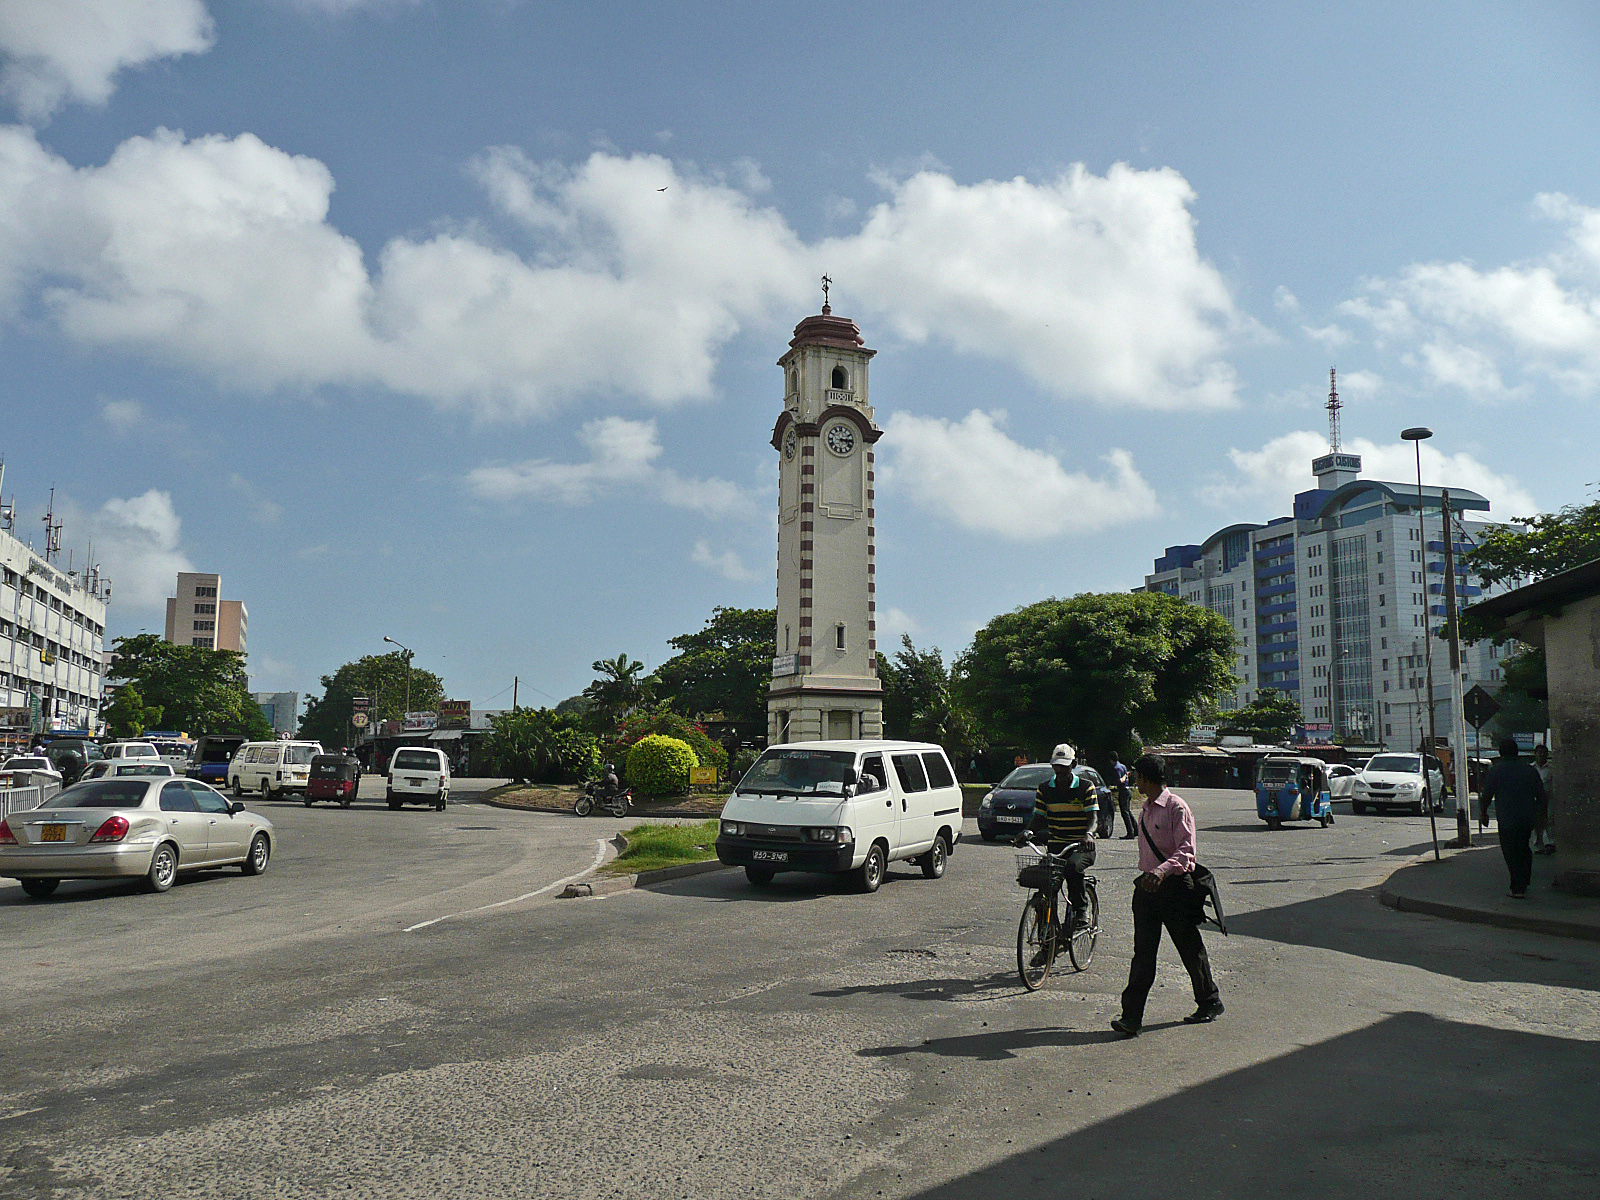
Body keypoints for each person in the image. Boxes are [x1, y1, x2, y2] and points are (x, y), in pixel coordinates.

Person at [1112, 753, 1222, 1037]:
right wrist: (1151, 876)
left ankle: (1210, 1002)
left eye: (1138, 776)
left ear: (1147, 779)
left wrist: (1161, 872)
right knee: (1143, 955)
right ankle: (1131, 1018)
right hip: (1147, 890)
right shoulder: (1145, 810)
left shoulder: (1177, 808)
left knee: (1189, 948)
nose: (1136, 781)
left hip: (1173, 888)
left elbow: (1187, 852)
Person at [1023, 744, 1097, 930]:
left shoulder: (1085, 788)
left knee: (1072, 869)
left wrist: (1088, 834)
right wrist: (1026, 832)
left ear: (1073, 764)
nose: (1060, 770)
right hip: (1056, 846)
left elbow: (1093, 818)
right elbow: (1038, 818)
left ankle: (1081, 911)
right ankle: (1048, 937)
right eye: (1057, 766)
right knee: (1045, 884)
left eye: (1064, 766)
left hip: (1080, 847)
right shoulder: (1045, 789)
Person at [1479, 739, 1548, 898]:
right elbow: (1542, 796)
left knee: (1511, 852)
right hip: (1526, 818)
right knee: (1524, 848)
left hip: (1507, 818)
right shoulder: (1529, 770)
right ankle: (1524, 880)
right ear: (1517, 752)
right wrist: (1542, 815)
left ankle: (1517, 887)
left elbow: (1486, 795)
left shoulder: (1496, 771)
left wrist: (1483, 813)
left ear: (1501, 753)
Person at [1532, 744, 1555, 855]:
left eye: (1543, 753)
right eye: (1539, 752)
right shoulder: (1531, 768)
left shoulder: (1551, 769)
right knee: (1536, 822)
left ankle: (1550, 842)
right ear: (1535, 754)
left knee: (1549, 819)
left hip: (1548, 797)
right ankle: (1538, 845)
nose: (1541, 755)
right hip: (1535, 798)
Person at [1109, 753, 1137, 839]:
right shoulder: (1123, 766)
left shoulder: (1116, 768)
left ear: (1111, 759)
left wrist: (1114, 786)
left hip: (1123, 791)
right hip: (1128, 790)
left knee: (1124, 812)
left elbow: (1119, 781)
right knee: (1128, 811)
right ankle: (1136, 829)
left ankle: (1130, 833)